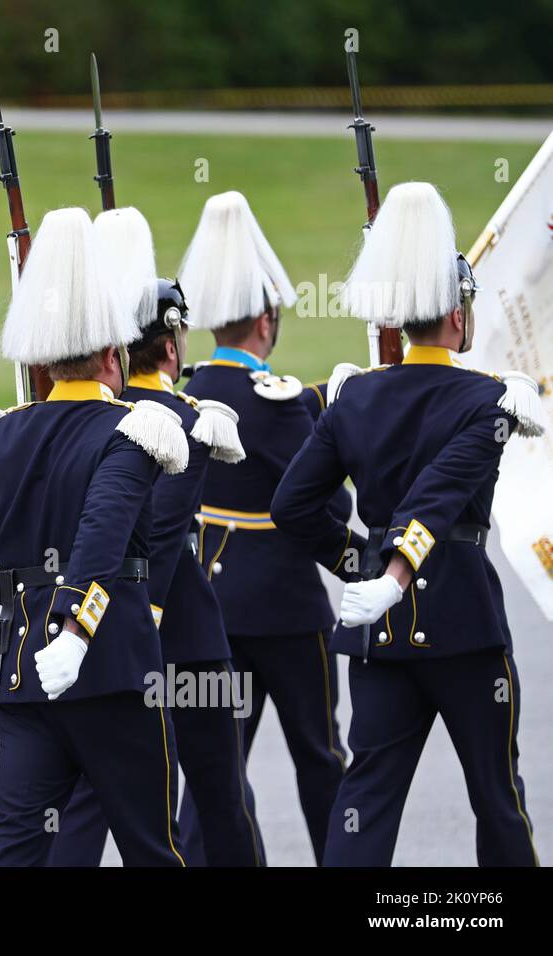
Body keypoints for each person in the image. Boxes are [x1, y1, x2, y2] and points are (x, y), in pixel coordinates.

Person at [0, 207, 188, 866]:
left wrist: (13, 587)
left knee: (15, 848)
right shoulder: (133, 428)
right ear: (109, 349)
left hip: (25, 670)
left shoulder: (3, 432)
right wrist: (76, 625)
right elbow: (103, 532)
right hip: (112, 670)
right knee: (152, 847)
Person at [273, 181, 543, 866]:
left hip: (385, 636)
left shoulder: (357, 394)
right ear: (457, 318)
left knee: (366, 802)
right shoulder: (485, 399)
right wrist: (384, 572)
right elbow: (440, 494)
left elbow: (293, 506)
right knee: (496, 796)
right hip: (464, 626)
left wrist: (357, 562)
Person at [50, 207, 265, 867]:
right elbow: (168, 530)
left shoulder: (81, 419)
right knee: (216, 801)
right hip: (179, 640)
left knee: (90, 803)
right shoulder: (185, 414)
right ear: (171, 344)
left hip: (110, 635)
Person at [177, 191, 353, 863]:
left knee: (214, 772)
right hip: (285, 609)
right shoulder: (277, 404)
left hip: (211, 610)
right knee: (320, 758)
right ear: (264, 319)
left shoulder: (184, 396)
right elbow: (327, 509)